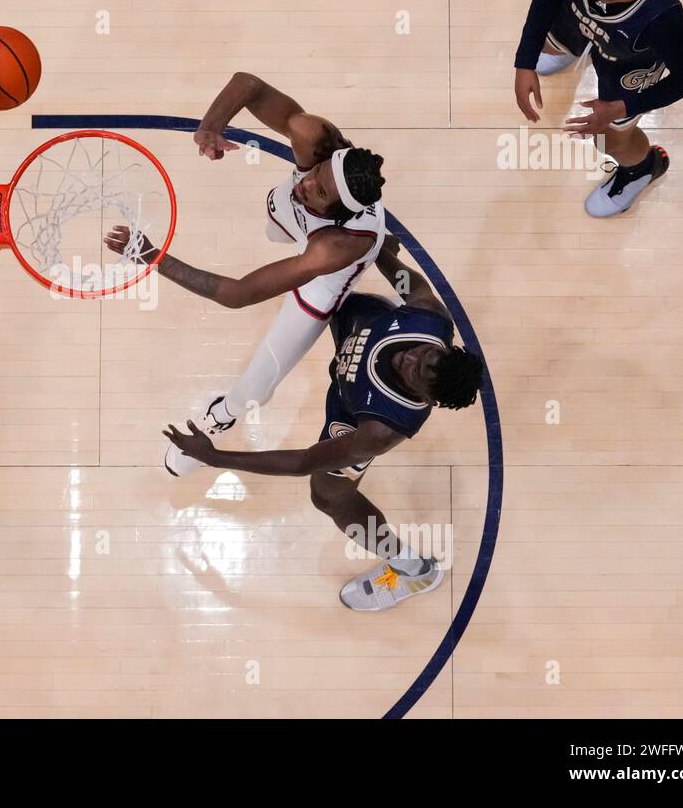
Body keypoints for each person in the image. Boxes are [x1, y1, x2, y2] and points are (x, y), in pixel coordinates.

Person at [162, 235, 484, 611]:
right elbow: (409, 285)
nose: (410, 360)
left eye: (418, 374)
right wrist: (381, 252)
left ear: (427, 398)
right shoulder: (430, 319)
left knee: (328, 495)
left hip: (351, 412)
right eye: (423, 354)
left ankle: (413, 568)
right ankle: (229, 408)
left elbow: (304, 462)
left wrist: (216, 458)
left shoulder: (383, 428)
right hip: (349, 324)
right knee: (325, 282)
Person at [104, 72, 387, 477]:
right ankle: (291, 223)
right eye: (315, 174)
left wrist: (151, 256)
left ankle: (223, 413)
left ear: (341, 213)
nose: (306, 184)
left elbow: (237, 294)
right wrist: (210, 127)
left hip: (324, 283)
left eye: (320, 192)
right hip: (302, 223)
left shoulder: (337, 247)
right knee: (276, 214)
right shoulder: (317, 138)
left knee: (259, 385)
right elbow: (248, 84)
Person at [513, 0, 683, 216]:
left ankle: (642, 169)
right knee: (555, 33)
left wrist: (620, 107)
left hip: (628, 61)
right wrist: (525, 61)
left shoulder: (665, 22)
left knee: (609, 139)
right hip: (581, 20)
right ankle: (570, 48)